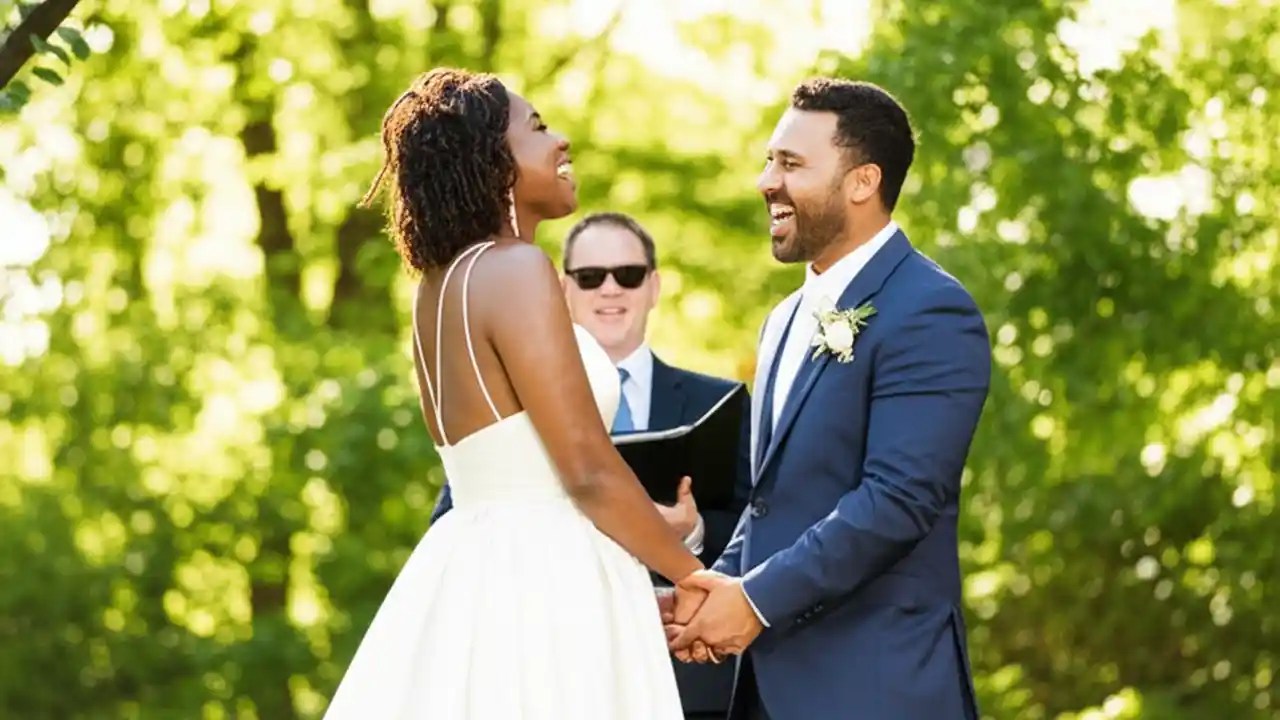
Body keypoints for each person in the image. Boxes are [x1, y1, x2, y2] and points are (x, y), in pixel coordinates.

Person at [323, 67, 705, 720]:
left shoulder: (439, 285)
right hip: (541, 576)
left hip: (489, 573)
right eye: (537, 127)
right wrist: (695, 578)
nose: (560, 141)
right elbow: (584, 469)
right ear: (493, 159)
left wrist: (638, 572)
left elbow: (518, 464)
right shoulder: (517, 269)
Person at [667, 78, 992, 720]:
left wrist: (753, 601)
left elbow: (897, 501)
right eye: (769, 161)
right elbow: (773, 504)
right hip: (766, 690)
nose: (766, 182)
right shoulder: (783, 320)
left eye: (791, 164)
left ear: (862, 182)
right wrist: (709, 591)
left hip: (875, 688)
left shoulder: (931, 310)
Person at [559, 212, 752, 719]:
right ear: (563, 290)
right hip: (560, 671)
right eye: (590, 277)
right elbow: (466, 518)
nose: (610, 289)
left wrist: (693, 533)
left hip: (686, 677)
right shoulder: (518, 412)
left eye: (628, 275)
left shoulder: (721, 403)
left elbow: (764, 526)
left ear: (654, 286)